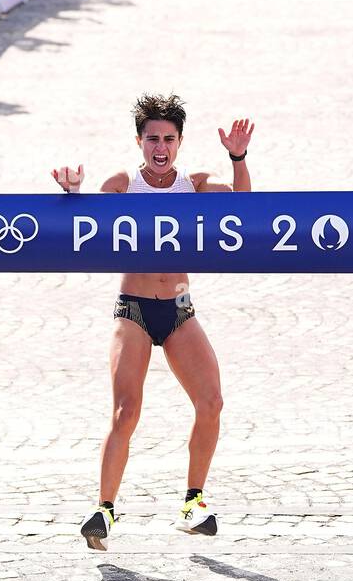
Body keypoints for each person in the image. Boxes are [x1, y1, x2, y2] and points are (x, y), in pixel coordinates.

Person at [52, 95, 254, 550]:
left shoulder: (194, 184)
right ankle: (103, 510)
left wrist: (237, 157)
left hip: (179, 309)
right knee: (126, 412)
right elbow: (86, 221)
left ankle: (193, 503)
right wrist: (72, 194)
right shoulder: (124, 184)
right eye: (151, 139)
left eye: (168, 138)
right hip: (135, 310)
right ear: (139, 142)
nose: (159, 147)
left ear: (179, 142)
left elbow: (243, 205)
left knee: (212, 402)